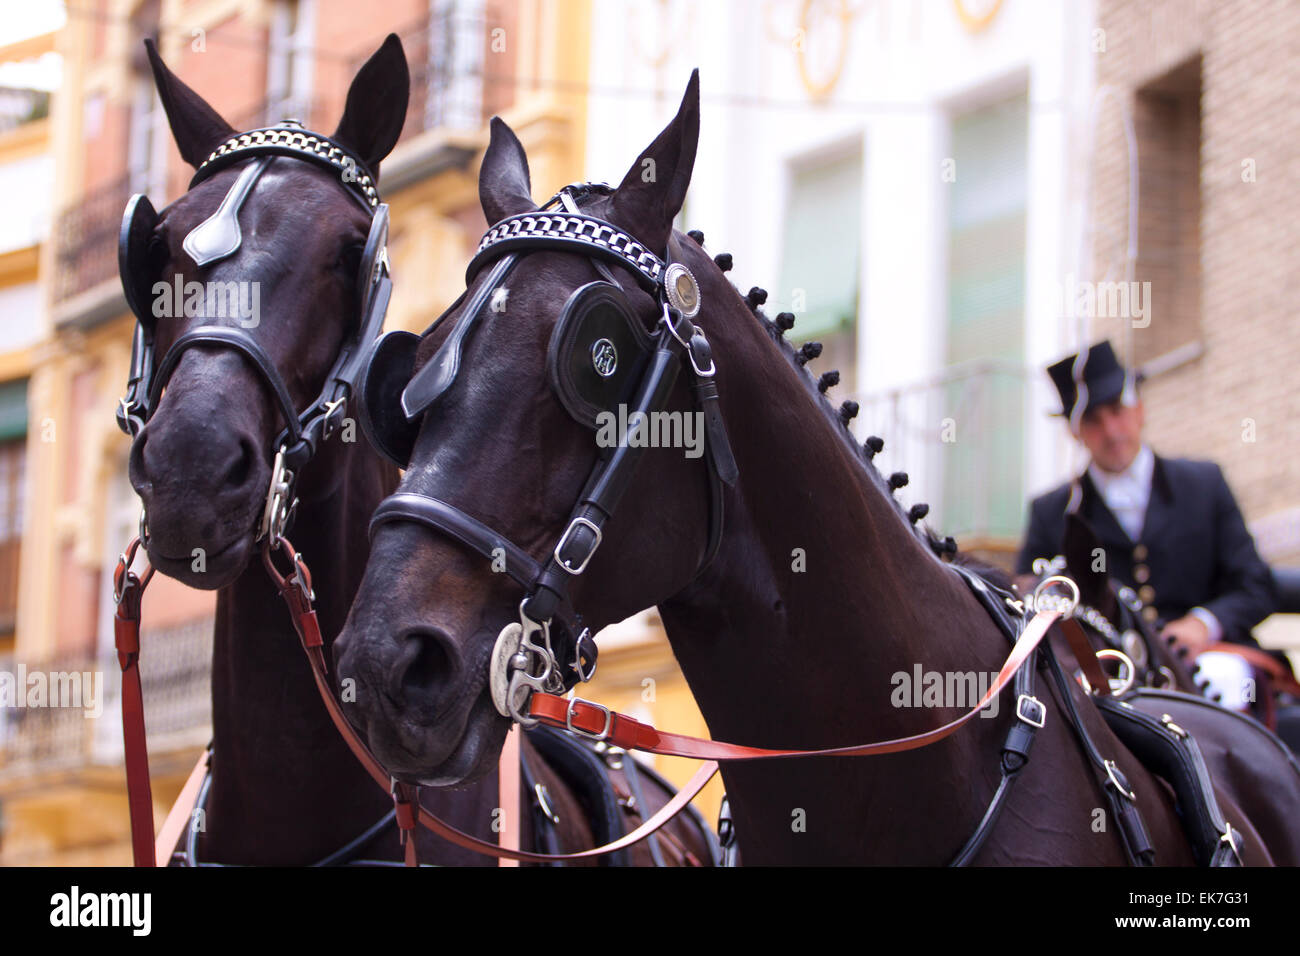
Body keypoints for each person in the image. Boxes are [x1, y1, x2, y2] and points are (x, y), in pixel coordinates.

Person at [1015, 340, 1276, 708]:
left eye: (1116, 411)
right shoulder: (1051, 512)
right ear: (1075, 431)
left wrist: (1204, 623)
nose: (1110, 430)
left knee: (1224, 687)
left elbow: (1254, 584)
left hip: (1211, 657)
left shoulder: (1204, 483)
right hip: (1108, 673)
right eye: (1093, 420)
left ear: (1139, 408)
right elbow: (1031, 607)